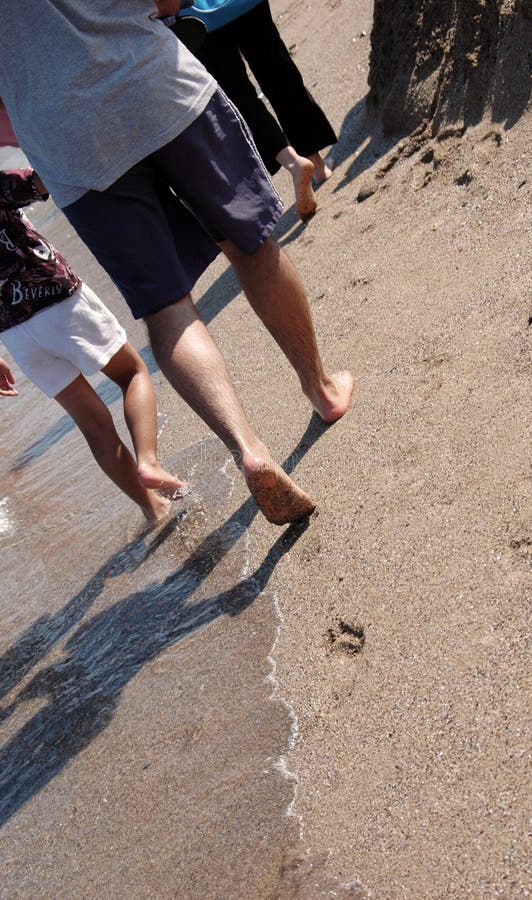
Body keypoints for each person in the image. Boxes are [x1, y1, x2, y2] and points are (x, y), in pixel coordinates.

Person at [0, 0, 353, 527]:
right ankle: (320, 389)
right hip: (157, 87)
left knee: (168, 309)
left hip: (70, 147)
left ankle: (248, 447)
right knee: (253, 247)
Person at [0, 167, 187, 526]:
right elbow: (40, 179)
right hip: (58, 300)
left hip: (16, 334)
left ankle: (152, 509)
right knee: (132, 373)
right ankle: (147, 462)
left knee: (93, 424)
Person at [192, 0, 337, 220]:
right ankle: (317, 165)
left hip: (197, 16)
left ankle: (294, 163)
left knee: (239, 95)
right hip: (245, 4)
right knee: (277, 71)